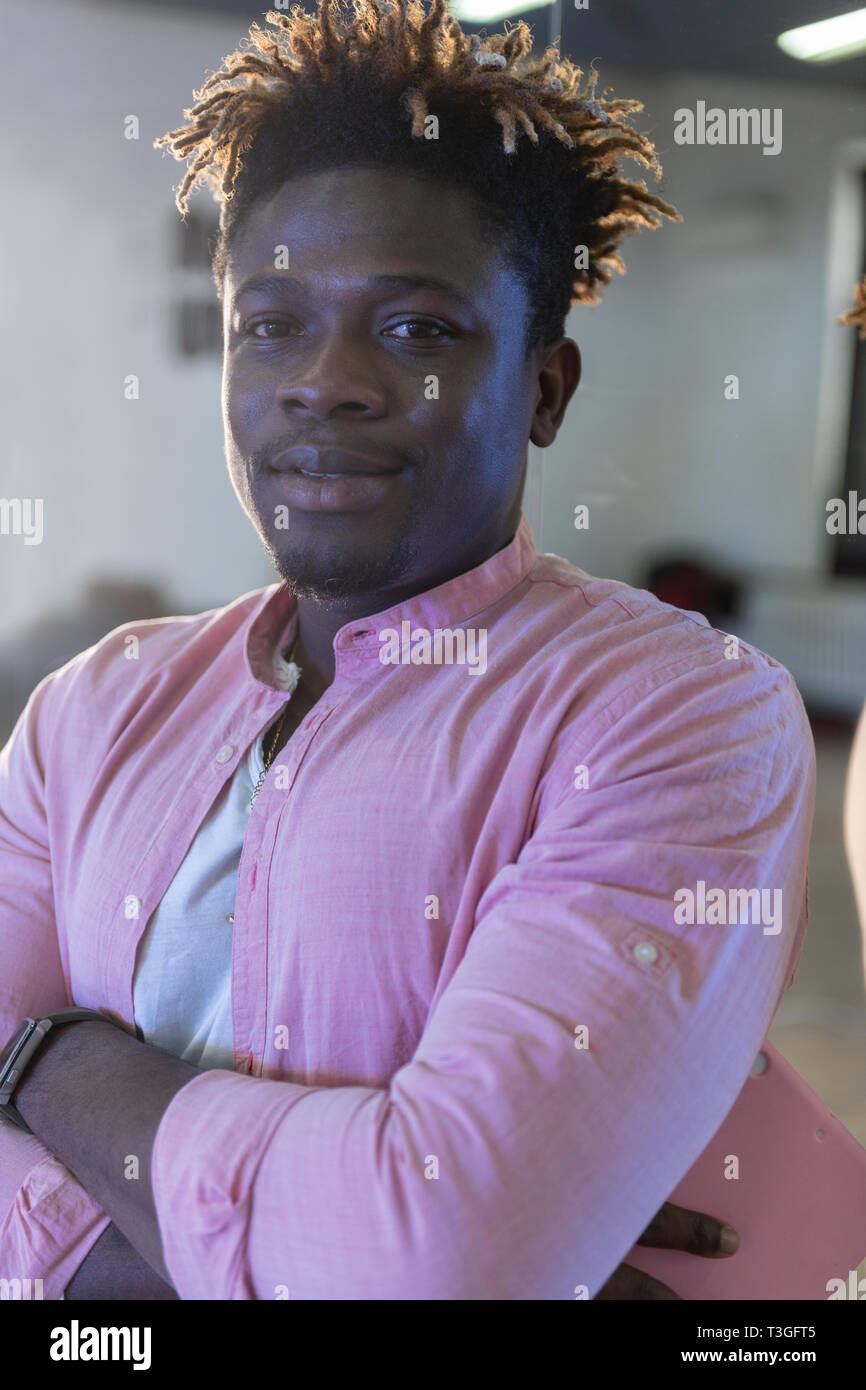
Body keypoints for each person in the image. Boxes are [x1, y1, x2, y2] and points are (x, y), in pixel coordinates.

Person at [0, 0, 814, 1300]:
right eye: (271, 323)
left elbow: (437, 1259)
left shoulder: (675, 716)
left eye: (416, 329)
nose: (325, 380)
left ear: (544, 387)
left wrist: (45, 1066)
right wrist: (336, 1235)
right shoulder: (87, 713)